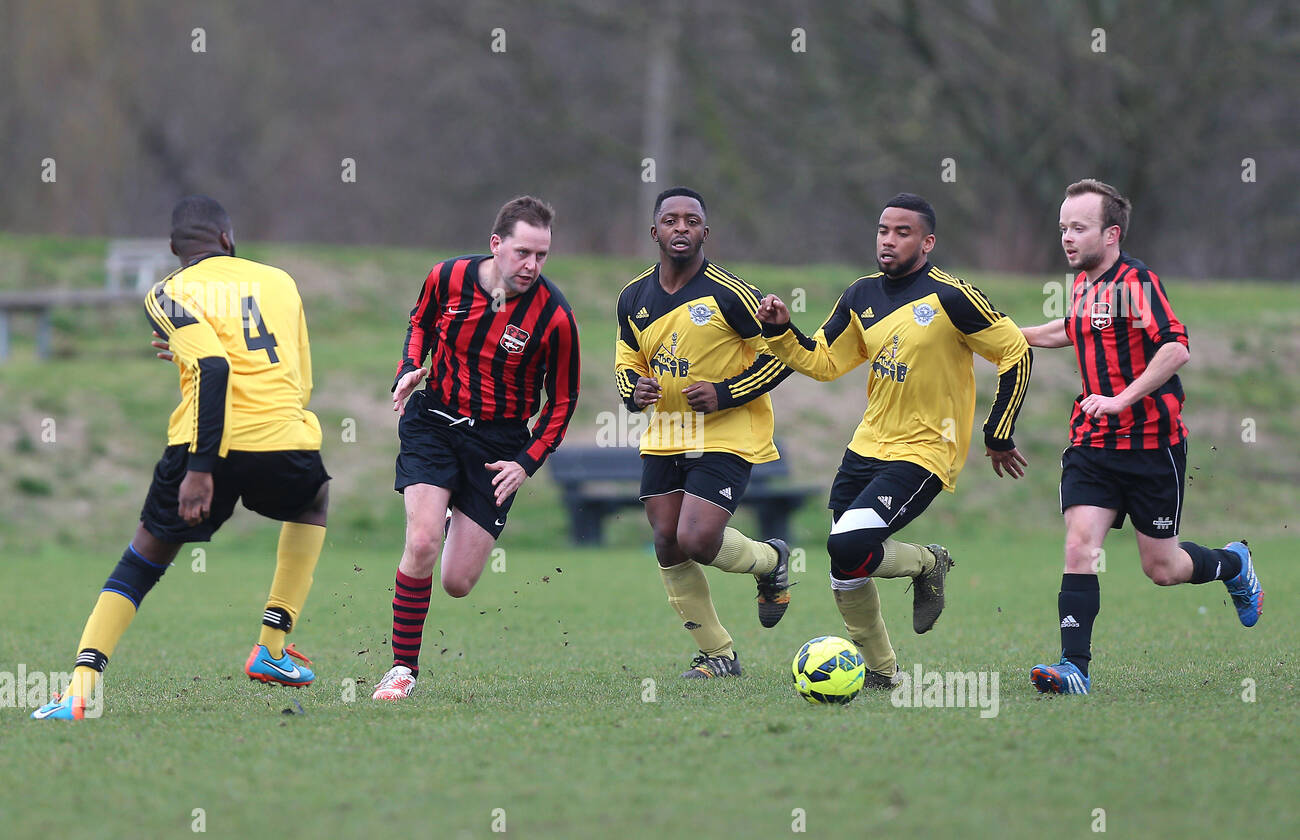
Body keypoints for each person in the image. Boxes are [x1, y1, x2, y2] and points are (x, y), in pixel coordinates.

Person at [32, 195, 331, 719]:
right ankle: (272, 649)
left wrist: (201, 470)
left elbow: (213, 366)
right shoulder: (282, 281)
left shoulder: (167, 292)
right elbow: (297, 376)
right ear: (227, 238)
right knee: (313, 501)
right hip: (284, 438)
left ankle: (79, 692)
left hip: (204, 445)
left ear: (174, 249)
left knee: (142, 561)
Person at [756, 193, 1032, 688]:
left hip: (927, 449)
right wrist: (781, 331)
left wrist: (998, 432)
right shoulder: (860, 294)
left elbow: (1015, 351)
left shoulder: (952, 296)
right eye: (883, 230)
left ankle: (928, 561)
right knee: (847, 562)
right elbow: (823, 362)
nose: (889, 239)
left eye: (902, 232)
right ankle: (884, 674)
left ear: (927, 242)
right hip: (867, 445)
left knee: (848, 543)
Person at [1019, 179, 1263, 695]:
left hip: (1152, 447)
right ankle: (1074, 669)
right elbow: (1071, 328)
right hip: (1092, 446)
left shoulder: (1138, 283)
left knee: (1164, 568)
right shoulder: (1085, 285)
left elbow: (1176, 348)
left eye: (1078, 228)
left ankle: (1233, 562)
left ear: (1111, 234)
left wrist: (1123, 398)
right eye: (1063, 227)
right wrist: (1001, 335)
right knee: (1079, 546)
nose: (1066, 237)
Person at [372, 196, 580, 701]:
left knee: (458, 582)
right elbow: (419, 322)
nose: (531, 265)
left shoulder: (554, 318)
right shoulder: (447, 277)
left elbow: (565, 399)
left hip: (499, 444)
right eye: (523, 252)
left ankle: (448, 513)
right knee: (420, 543)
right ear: (496, 244)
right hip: (434, 422)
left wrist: (527, 462)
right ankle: (402, 670)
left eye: (542, 256)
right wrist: (409, 369)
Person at [616, 186, 795, 679]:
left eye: (691, 221)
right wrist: (634, 391)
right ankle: (718, 655)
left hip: (728, 432)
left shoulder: (731, 294)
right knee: (666, 542)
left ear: (705, 233)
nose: (681, 228)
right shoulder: (633, 297)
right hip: (667, 433)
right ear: (655, 232)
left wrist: (726, 392)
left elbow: (785, 354)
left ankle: (769, 560)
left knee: (695, 538)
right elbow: (626, 361)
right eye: (670, 220)